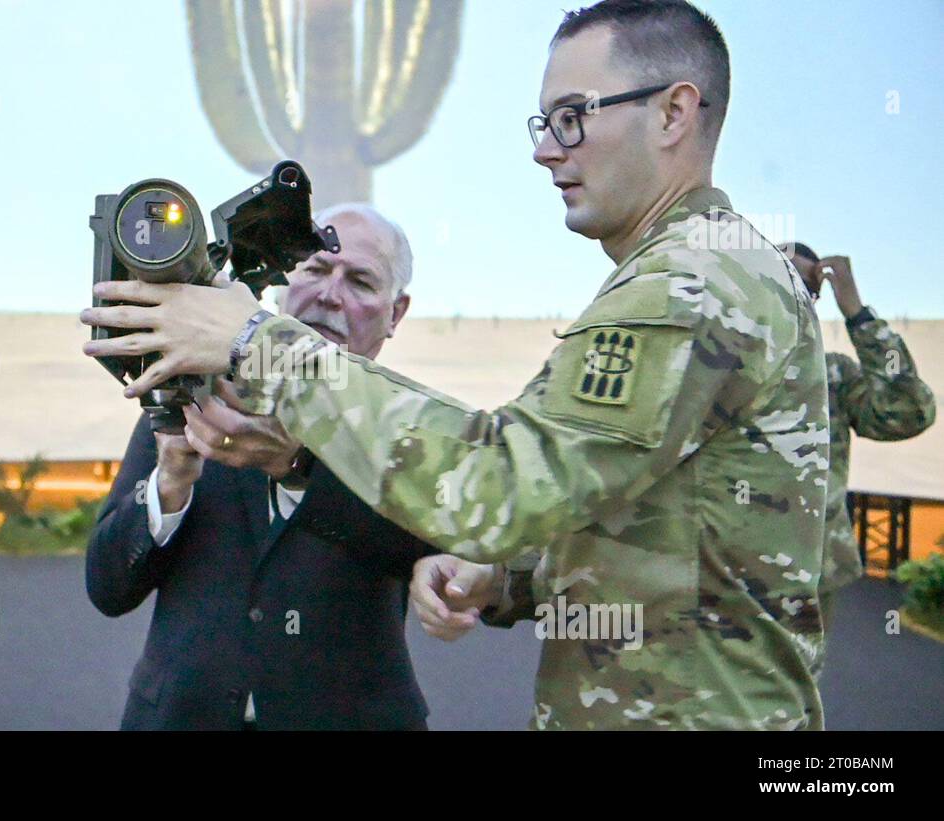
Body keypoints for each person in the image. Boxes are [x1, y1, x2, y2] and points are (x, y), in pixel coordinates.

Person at [80, 0, 831, 730]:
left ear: (673, 112)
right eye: (546, 123)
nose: (546, 148)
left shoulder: (690, 284)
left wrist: (252, 339)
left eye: (574, 117)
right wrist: (509, 577)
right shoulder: (687, 272)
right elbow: (630, 512)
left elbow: (499, 484)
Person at [85, 203, 438, 730]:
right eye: (316, 268)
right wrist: (168, 487)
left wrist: (299, 465)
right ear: (280, 283)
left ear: (396, 312)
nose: (329, 294)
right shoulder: (190, 395)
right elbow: (108, 588)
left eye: (361, 281)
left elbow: (429, 551)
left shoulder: (411, 429)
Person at [784, 244, 935, 643]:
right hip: (724, 571)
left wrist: (858, 313)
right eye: (779, 276)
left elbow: (907, 411)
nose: (790, 291)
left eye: (803, 285)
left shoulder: (832, 374)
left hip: (811, 574)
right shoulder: (722, 364)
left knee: (796, 698)